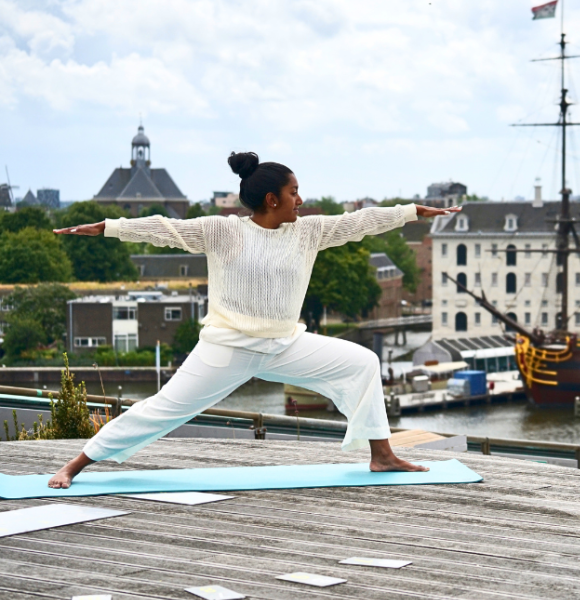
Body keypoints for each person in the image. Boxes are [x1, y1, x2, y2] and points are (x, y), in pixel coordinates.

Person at [47, 152, 459, 489]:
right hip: (228, 347)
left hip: (285, 344)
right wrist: (106, 228)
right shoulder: (221, 231)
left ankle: (382, 455)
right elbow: (164, 229)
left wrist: (410, 212)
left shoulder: (308, 232)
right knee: (161, 411)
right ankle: (75, 464)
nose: (301, 200)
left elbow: (358, 222)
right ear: (271, 200)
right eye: (294, 193)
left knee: (364, 363)